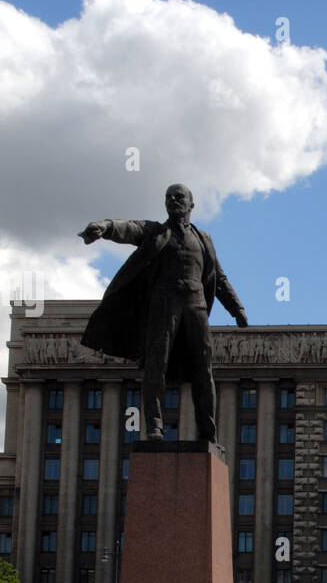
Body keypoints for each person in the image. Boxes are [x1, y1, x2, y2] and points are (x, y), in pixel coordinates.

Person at [79, 183, 248, 442]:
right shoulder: (155, 232)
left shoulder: (204, 239)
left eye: (179, 197)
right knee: (156, 366)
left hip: (196, 306)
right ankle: (155, 426)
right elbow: (130, 228)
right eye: (168, 197)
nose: (172, 200)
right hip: (163, 305)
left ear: (191, 204)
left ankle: (207, 429)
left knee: (203, 369)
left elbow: (219, 278)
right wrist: (106, 226)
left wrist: (236, 308)